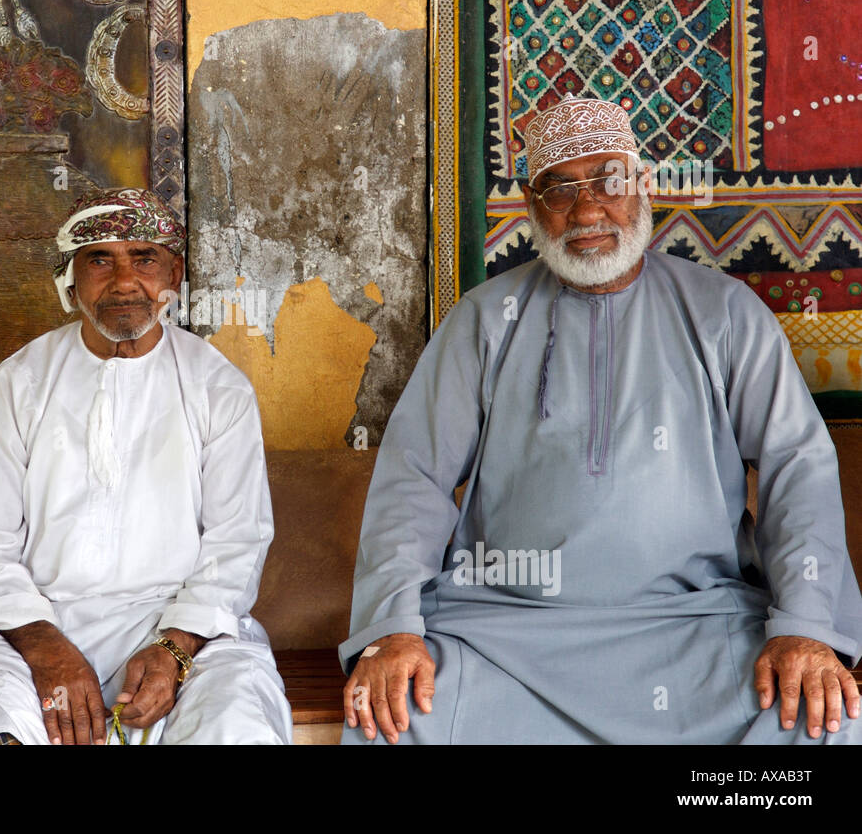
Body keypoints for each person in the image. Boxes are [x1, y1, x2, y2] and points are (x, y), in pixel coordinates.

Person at [342, 94, 862, 744]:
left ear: (644, 185)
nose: (587, 211)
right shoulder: (483, 320)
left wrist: (805, 628)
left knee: (814, 719)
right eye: (560, 191)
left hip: (693, 623)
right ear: (533, 208)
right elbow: (412, 477)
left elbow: (799, 468)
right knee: (390, 714)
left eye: (609, 181)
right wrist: (392, 627)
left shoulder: (724, 314)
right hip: (504, 630)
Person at [0, 186, 292, 745]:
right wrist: (48, 651)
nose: (124, 280)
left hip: (182, 626)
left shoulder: (217, 385)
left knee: (236, 723)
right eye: (100, 259)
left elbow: (237, 542)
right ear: (70, 278)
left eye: (144, 258)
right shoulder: (19, 383)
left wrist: (173, 651)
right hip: (35, 626)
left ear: (173, 276)